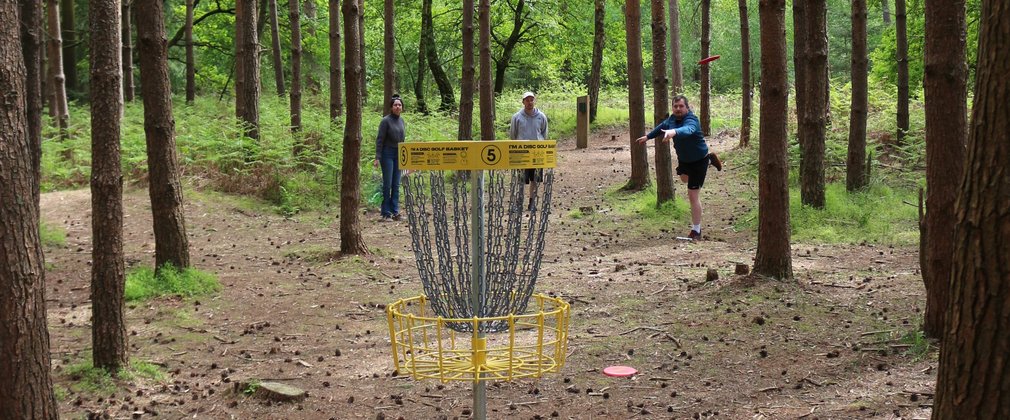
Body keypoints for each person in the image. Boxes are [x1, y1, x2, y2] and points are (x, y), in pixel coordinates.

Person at [636, 95, 722, 240]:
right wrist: (648, 136)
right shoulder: (671, 120)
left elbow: (688, 130)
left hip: (698, 161)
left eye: (681, 106)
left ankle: (696, 231)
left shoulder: (692, 120)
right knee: (683, 179)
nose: (678, 109)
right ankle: (709, 161)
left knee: (692, 195)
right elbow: (662, 126)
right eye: (675, 106)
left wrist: (674, 132)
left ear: (687, 108)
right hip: (684, 160)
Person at [508, 91, 549, 212]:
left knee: (535, 179)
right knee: (520, 179)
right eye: (527, 100)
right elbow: (513, 135)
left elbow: (544, 133)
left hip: (537, 152)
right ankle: (519, 202)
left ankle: (532, 203)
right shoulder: (517, 117)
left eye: (532, 100)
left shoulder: (541, 116)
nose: (530, 102)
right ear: (523, 102)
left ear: (534, 101)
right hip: (522, 153)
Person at [374, 95, 406, 221]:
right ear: (391, 107)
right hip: (387, 154)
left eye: (399, 105)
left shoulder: (402, 121)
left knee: (396, 184)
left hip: (399, 154)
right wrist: (377, 157)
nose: (398, 107)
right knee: (387, 184)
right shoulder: (385, 121)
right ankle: (386, 212)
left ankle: (395, 211)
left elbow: (403, 140)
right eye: (395, 105)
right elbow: (380, 140)